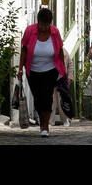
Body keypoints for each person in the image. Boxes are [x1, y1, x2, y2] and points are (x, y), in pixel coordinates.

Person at [18, 7, 69, 137]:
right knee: (38, 98)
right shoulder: (30, 31)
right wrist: (20, 68)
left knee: (47, 97)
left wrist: (63, 70)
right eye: (41, 24)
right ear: (38, 21)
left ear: (50, 23)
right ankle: (42, 123)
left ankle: (45, 126)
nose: (44, 27)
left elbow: (60, 51)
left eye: (46, 24)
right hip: (33, 70)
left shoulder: (55, 33)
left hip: (50, 69)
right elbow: (24, 50)